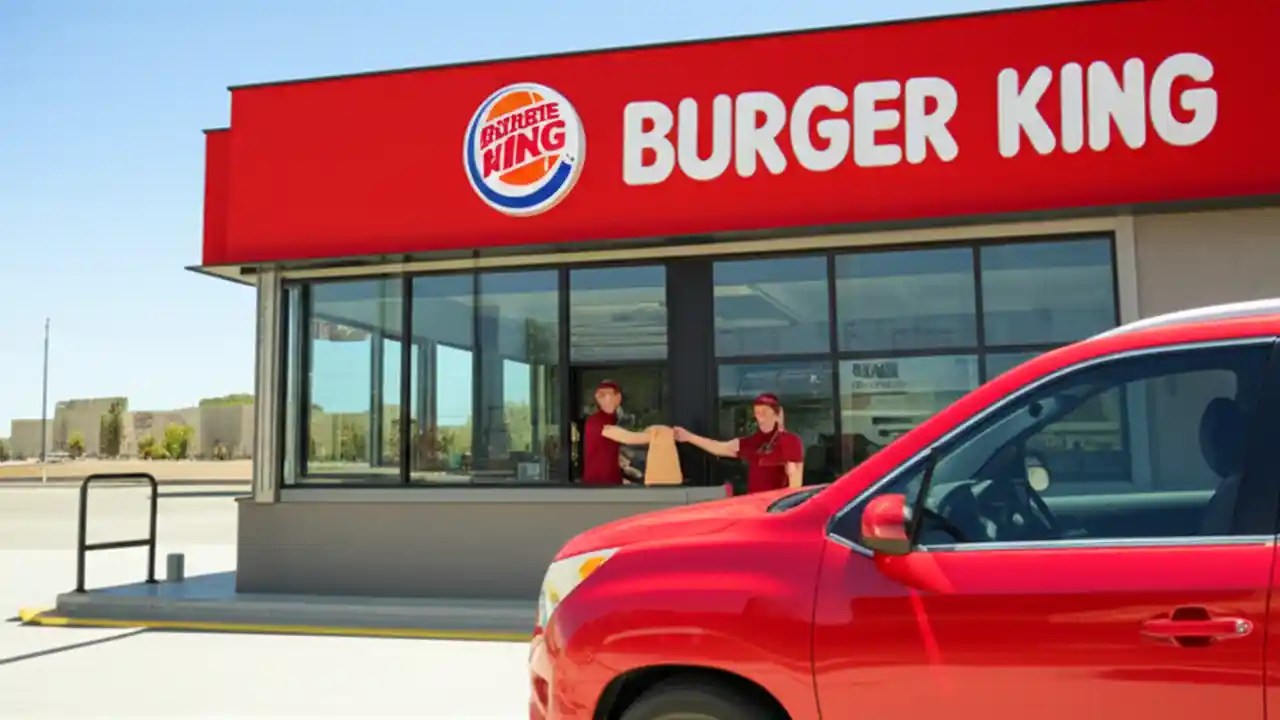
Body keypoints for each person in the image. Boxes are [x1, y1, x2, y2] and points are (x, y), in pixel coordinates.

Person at [675, 393, 804, 494]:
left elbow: (795, 483)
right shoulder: (751, 442)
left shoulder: (790, 441)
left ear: (776, 414)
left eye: (765, 412)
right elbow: (720, 448)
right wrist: (689, 437)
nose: (761, 417)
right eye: (758, 413)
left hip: (777, 507)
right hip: (754, 505)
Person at [581, 379, 664, 486]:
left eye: (608, 395)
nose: (605, 398)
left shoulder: (612, 419)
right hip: (599, 485)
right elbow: (629, 438)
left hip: (610, 482)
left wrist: (626, 468)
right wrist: (659, 434)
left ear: (618, 397)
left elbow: (609, 449)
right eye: (601, 395)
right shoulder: (597, 421)